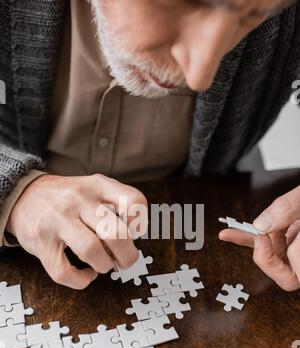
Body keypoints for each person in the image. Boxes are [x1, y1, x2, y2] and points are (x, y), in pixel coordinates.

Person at [0, 0, 299, 290]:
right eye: (188, 3)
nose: (199, 75)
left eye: (254, 16)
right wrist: (16, 193)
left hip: (200, 206)